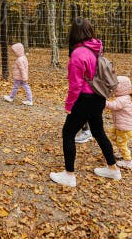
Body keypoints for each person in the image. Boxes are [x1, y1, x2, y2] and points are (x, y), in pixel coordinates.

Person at [50, 17, 120, 187]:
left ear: (73, 32)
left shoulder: (78, 54)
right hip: (98, 97)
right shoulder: (97, 47)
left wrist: (69, 105)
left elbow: (75, 85)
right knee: (98, 132)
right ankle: (113, 169)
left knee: (68, 133)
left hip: (84, 100)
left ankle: (69, 175)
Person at [106, 75, 132, 169]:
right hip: (119, 125)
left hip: (124, 127)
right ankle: (121, 152)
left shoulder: (122, 99)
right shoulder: (123, 97)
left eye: (115, 87)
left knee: (122, 143)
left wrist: (104, 102)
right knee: (113, 136)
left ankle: (128, 161)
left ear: (120, 88)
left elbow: (114, 106)